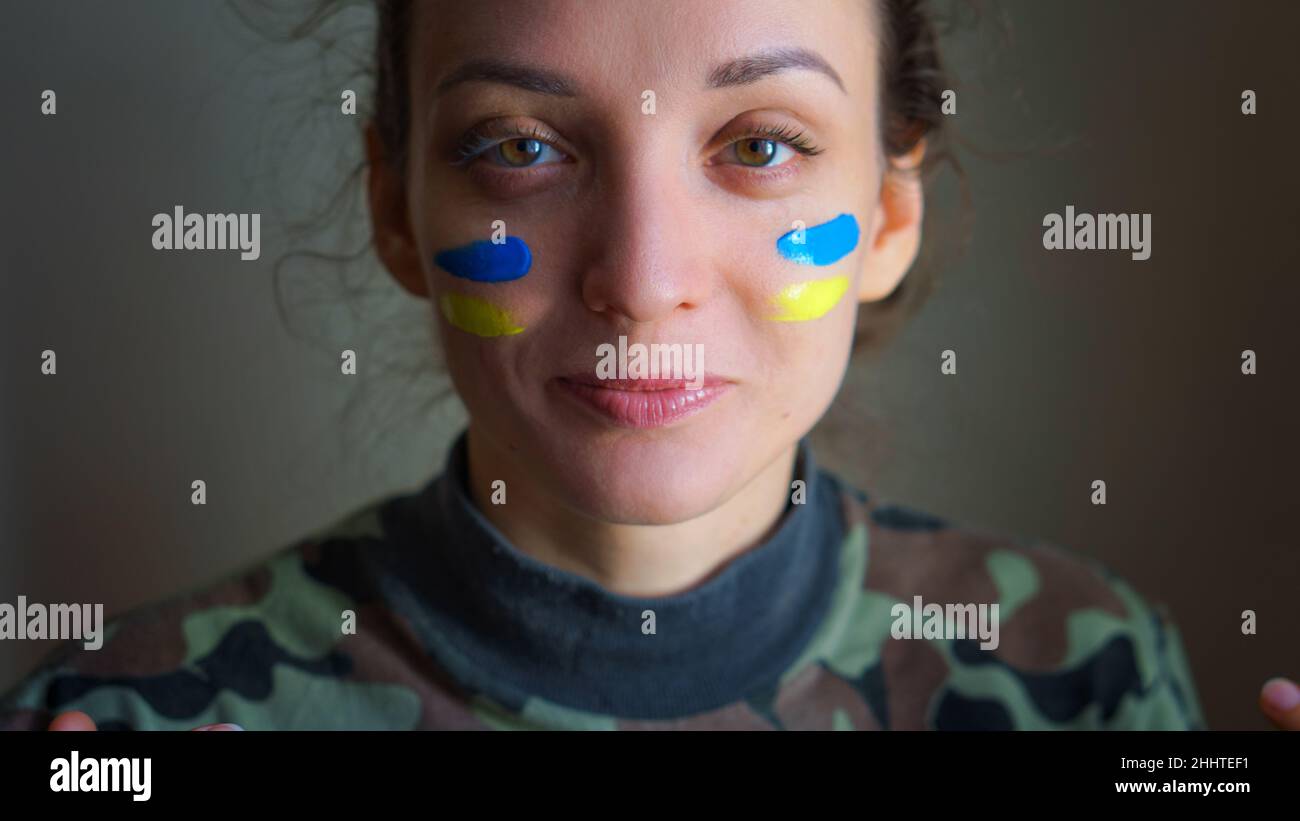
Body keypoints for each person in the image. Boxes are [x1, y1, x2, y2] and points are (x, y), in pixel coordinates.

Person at [2, 0, 1293, 731]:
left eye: (763, 146)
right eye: (519, 146)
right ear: (397, 209)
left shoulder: (1095, 683)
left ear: (891, 215)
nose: (641, 273)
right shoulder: (124, 730)